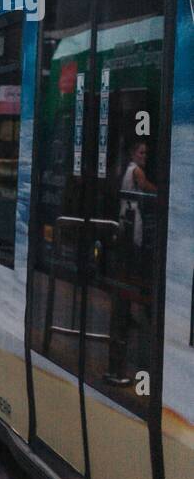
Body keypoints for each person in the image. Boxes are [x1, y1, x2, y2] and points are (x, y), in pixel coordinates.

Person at [106, 139, 159, 386]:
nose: (144, 156)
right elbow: (149, 188)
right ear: (132, 153)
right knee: (129, 276)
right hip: (130, 229)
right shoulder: (135, 171)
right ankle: (125, 314)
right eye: (141, 152)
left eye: (146, 153)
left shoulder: (126, 170)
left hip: (125, 227)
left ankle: (124, 313)